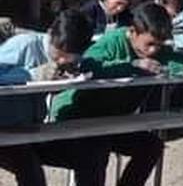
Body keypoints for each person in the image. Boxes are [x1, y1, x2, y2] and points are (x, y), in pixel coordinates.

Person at [50, 3, 183, 186]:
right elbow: (90, 67)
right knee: (95, 151)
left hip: (114, 121)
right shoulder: (112, 42)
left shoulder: (156, 53)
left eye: (158, 46)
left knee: (151, 147)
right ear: (133, 32)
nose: (153, 50)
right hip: (79, 116)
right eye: (149, 44)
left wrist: (162, 67)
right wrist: (132, 66)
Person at [0, 11, 108, 186]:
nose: (62, 59)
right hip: (5, 131)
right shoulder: (25, 45)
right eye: (58, 53)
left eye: (69, 56)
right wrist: (32, 74)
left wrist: (62, 84)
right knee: (29, 167)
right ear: (50, 33)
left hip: (32, 129)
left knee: (91, 156)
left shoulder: (71, 59)